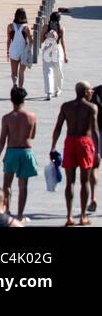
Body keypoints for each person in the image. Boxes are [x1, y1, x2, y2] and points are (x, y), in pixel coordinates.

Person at [50, 82, 99, 226]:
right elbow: (95, 131)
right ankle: (83, 216)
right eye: (90, 90)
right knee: (84, 181)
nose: (92, 92)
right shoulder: (91, 107)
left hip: (70, 142)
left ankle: (69, 216)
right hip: (85, 143)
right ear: (84, 92)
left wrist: (53, 146)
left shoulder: (66, 106)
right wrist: (97, 151)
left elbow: (58, 127)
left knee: (70, 181)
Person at [0, 86, 38, 221]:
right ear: (24, 100)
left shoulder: (6, 118)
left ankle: (6, 211)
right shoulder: (32, 116)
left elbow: (2, 139)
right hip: (26, 151)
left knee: (7, 184)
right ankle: (20, 214)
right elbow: (33, 135)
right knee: (23, 186)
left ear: (11, 100)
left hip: (11, 151)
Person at [7, 8, 32, 89]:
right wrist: (29, 49)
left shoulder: (10, 26)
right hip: (23, 51)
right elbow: (31, 41)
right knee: (21, 72)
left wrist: (7, 52)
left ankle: (15, 83)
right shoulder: (26, 28)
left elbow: (8, 40)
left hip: (13, 51)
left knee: (14, 72)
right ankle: (20, 88)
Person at [42, 27, 65, 101]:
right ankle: (57, 90)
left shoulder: (45, 27)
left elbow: (41, 40)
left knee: (48, 72)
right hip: (57, 50)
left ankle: (49, 92)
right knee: (58, 71)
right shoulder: (61, 28)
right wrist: (65, 54)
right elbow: (63, 41)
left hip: (47, 50)